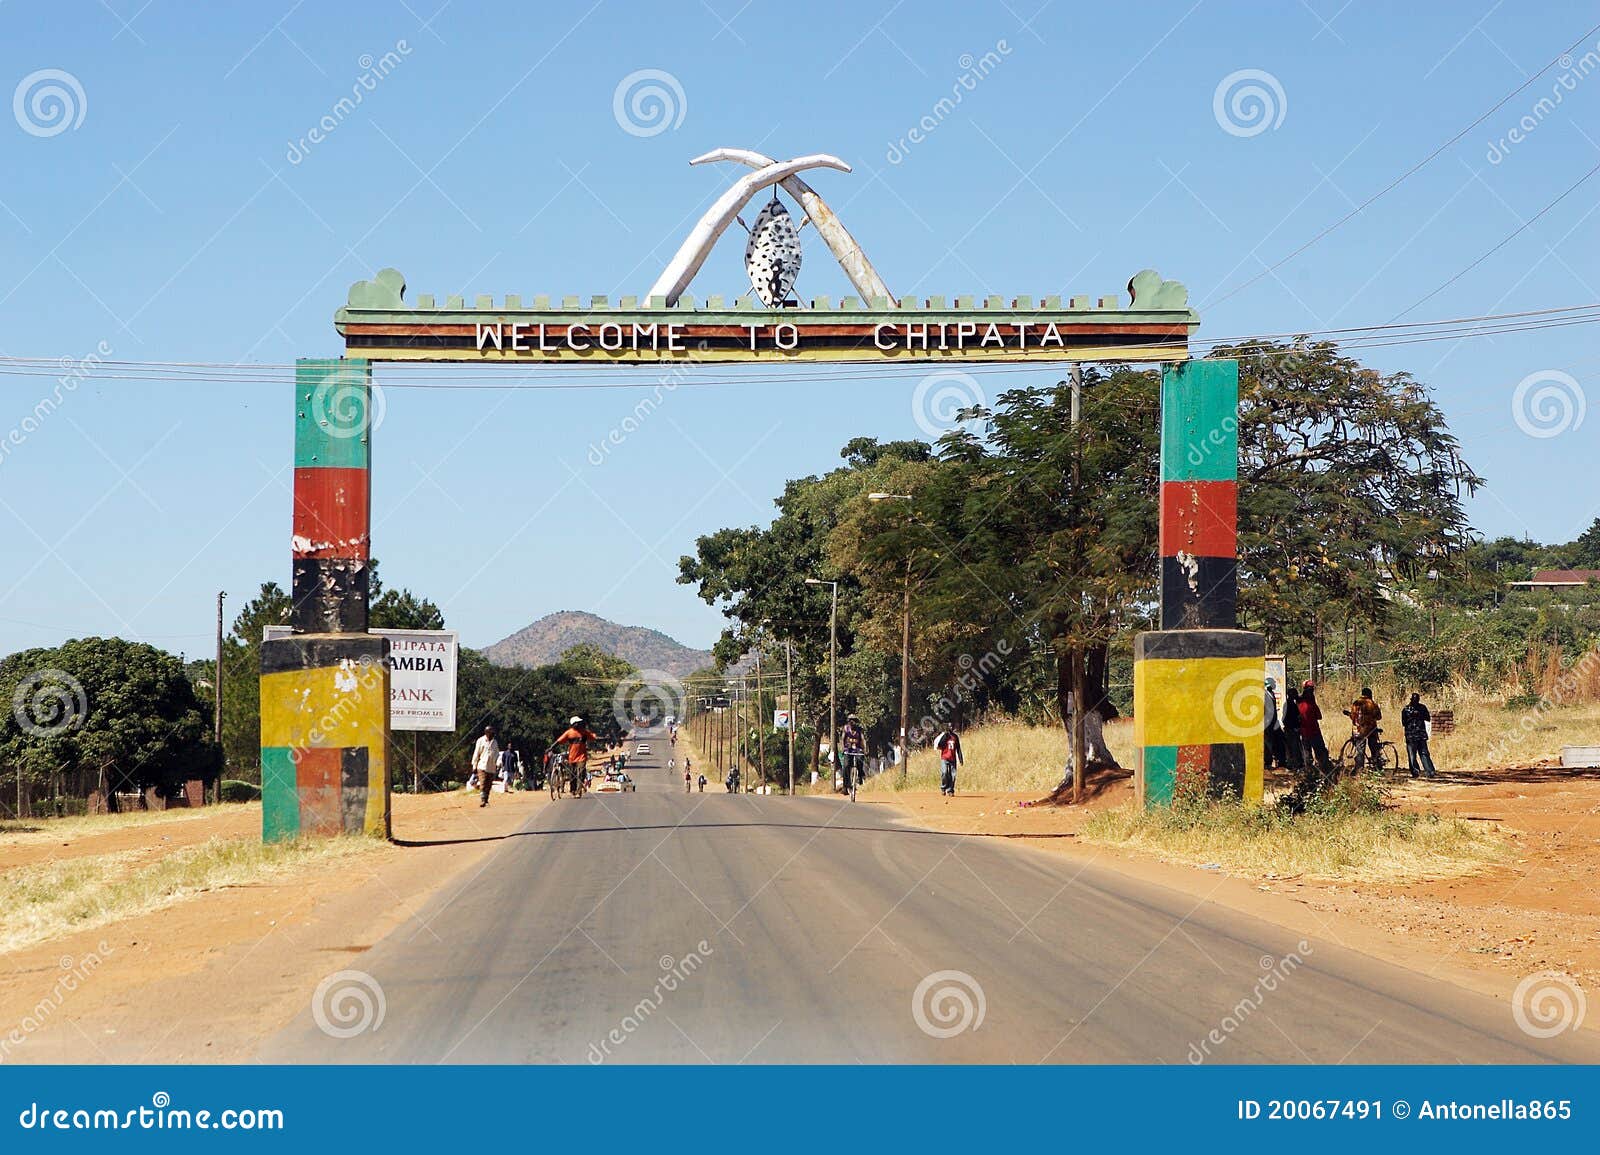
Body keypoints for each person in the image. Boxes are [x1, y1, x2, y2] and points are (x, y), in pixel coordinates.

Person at [547, 715, 598, 792]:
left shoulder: (584, 732)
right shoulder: (569, 733)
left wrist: (596, 737)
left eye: (579, 723)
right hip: (572, 757)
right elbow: (559, 741)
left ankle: (578, 790)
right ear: (573, 724)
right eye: (577, 723)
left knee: (581, 773)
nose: (579, 724)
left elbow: (592, 737)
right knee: (572, 774)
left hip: (582, 756)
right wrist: (551, 747)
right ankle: (573, 790)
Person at [1344, 686, 1383, 771]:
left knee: (1360, 750)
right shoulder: (1373, 704)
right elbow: (1379, 717)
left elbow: (1353, 716)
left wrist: (1349, 714)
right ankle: (1377, 766)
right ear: (1370, 694)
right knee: (1373, 748)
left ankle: (1359, 769)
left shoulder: (1356, 703)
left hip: (1359, 730)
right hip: (1371, 729)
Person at [1401, 692, 1438, 779]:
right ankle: (1416, 772)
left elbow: (1427, 718)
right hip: (1412, 735)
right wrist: (1413, 717)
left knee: (1422, 754)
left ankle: (1429, 772)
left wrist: (1419, 715)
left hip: (1419, 735)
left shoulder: (1421, 708)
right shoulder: (1406, 709)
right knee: (1413, 755)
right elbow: (1404, 722)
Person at [1297, 682, 1329, 774]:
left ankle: (1309, 771)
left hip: (1304, 732)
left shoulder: (1298, 703)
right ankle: (1324, 769)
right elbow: (1319, 716)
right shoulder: (1311, 704)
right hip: (1314, 732)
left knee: (1307, 753)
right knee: (1320, 751)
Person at [471, 724, 500, 807]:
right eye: (491, 733)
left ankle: (486, 800)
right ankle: (483, 800)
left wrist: (497, 763)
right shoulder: (480, 741)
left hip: (491, 767)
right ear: (487, 733)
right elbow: (476, 753)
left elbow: (497, 754)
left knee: (488, 785)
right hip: (482, 766)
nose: (492, 734)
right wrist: (474, 765)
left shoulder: (495, 742)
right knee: (483, 783)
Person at [839, 714, 866, 795]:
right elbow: (842, 739)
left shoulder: (859, 730)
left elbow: (863, 739)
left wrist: (865, 749)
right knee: (846, 766)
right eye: (850, 720)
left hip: (858, 749)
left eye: (853, 720)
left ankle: (860, 776)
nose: (852, 722)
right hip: (848, 750)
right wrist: (843, 748)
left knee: (860, 761)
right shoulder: (845, 729)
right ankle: (845, 786)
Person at [933, 725, 964, 796]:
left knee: (953, 775)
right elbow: (939, 745)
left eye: (951, 726)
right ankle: (943, 788)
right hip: (944, 758)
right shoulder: (944, 736)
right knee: (944, 773)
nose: (951, 728)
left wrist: (960, 759)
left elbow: (958, 748)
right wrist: (945, 737)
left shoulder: (955, 737)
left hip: (953, 759)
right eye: (949, 727)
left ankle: (950, 790)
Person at [1282, 684, 1304, 772]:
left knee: (1294, 747)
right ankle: (1294, 764)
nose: (1296, 695)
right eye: (1295, 694)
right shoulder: (1289, 704)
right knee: (1294, 747)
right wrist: (1294, 727)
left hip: (1292, 729)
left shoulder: (1292, 704)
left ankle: (1294, 764)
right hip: (1291, 729)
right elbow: (1286, 719)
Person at [1263, 677, 1283, 771]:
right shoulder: (1264, 694)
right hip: (1267, 723)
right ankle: (1267, 762)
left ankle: (1278, 760)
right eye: (1273, 683)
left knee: (1277, 741)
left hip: (1274, 722)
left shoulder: (1272, 694)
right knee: (1268, 743)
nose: (1274, 685)